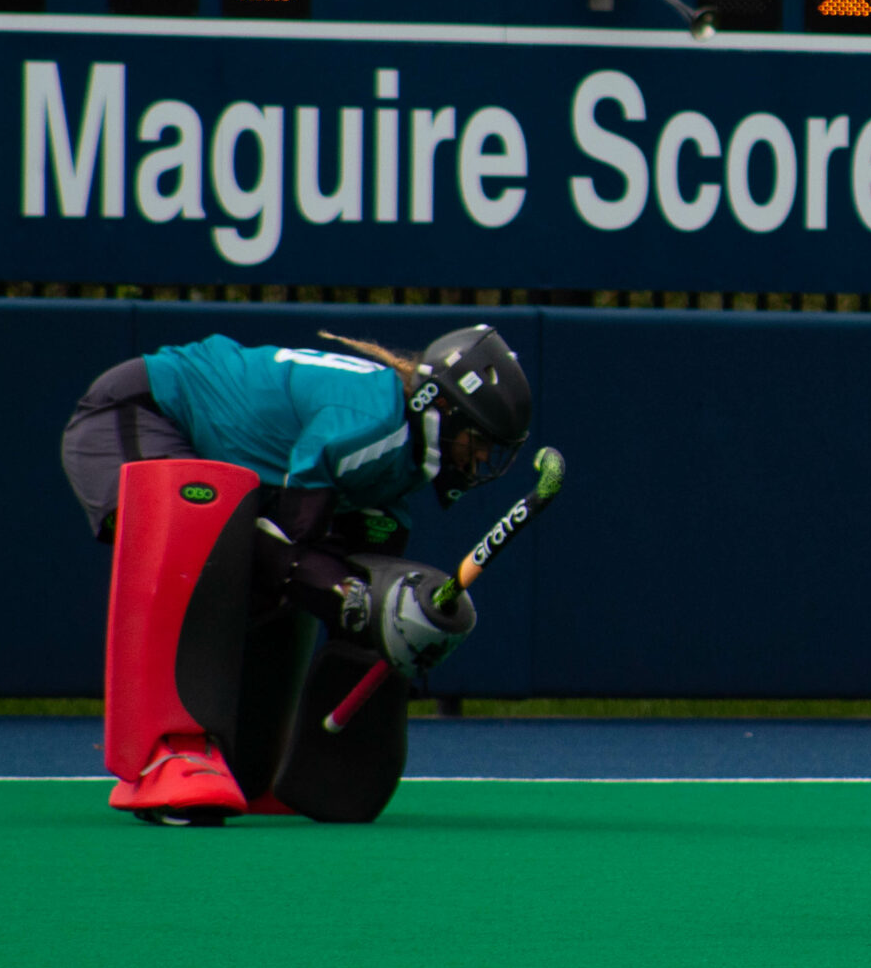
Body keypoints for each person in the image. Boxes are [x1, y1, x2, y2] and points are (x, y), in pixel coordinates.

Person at [58, 324, 530, 825]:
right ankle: (168, 753)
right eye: (476, 439)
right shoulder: (370, 426)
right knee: (211, 545)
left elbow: (358, 584)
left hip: (214, 451)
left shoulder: (401, 467)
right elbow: (294, 545)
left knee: (289, 576)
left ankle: (254, 771)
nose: (480, 457)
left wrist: (402, 616)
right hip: (142, 411)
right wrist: (343, 592)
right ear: (442, 408)